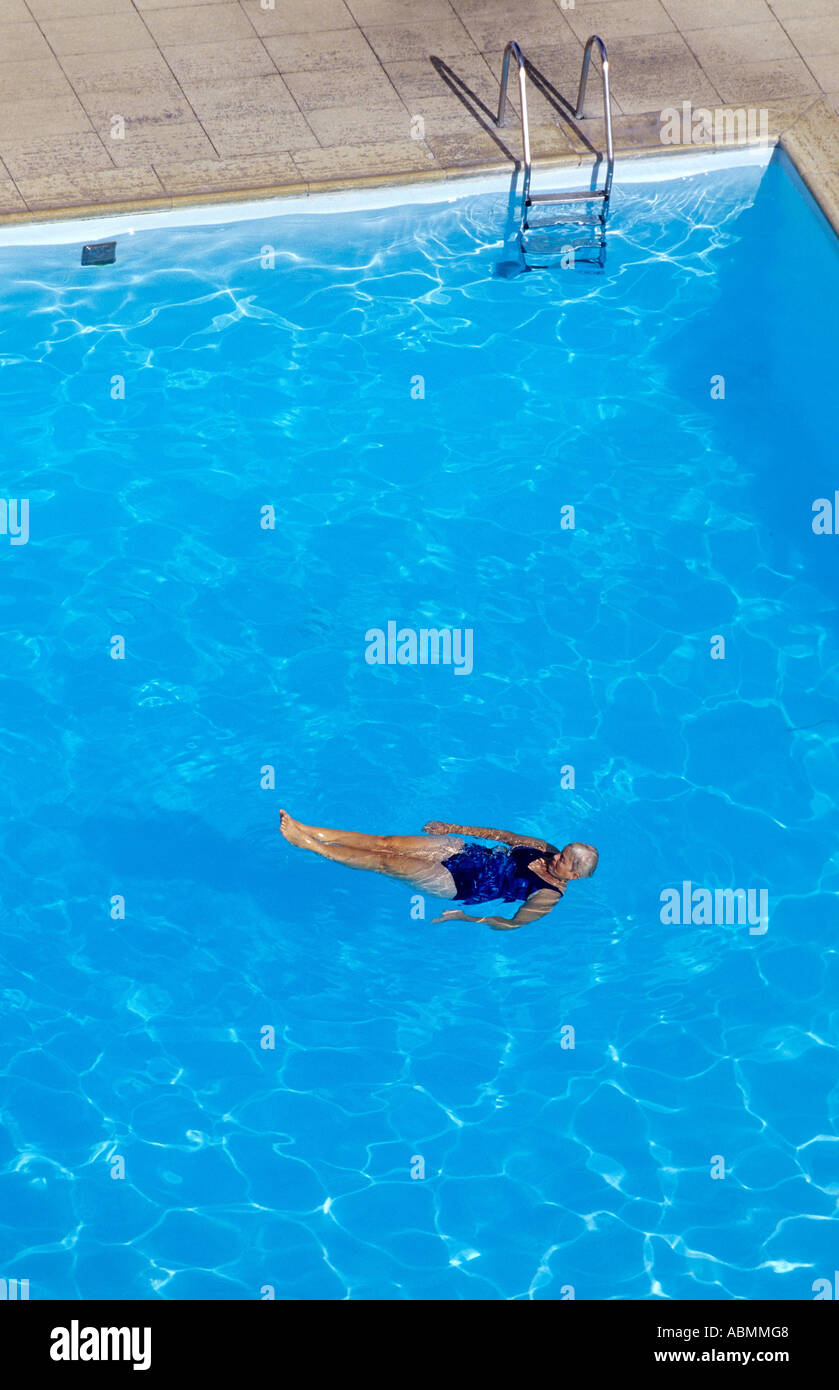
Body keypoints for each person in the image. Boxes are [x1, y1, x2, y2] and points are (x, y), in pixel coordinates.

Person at [280, 810, 597, 931]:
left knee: (386, 862)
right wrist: (452, 827)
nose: (555, 856)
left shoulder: (547, 896)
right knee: (387, 842)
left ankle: (312, 846)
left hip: (459, 884)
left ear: (574, 875)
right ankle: (312, 830)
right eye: (562, 851)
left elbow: (512, 925)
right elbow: (501, 836)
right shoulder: (544, 847)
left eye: (563, 860)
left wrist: (469, 918)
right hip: (462, 851)